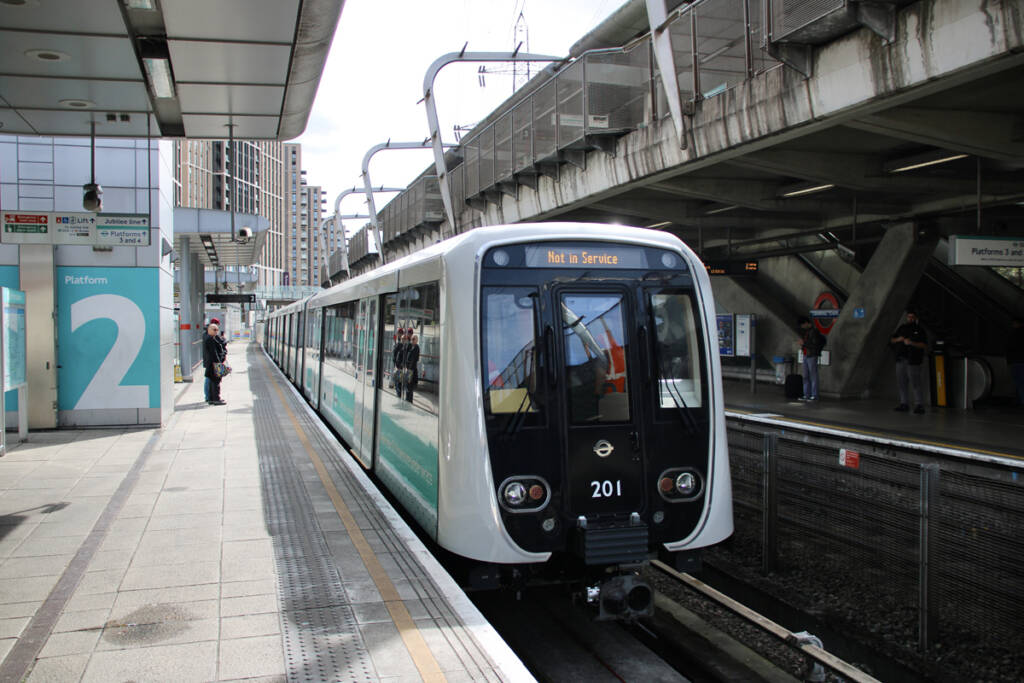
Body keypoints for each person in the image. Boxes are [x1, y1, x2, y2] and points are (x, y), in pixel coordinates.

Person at [890, 309, 928, 414]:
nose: (910, 319)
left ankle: (919, 405)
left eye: (912, 317)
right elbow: (892, 340)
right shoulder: (902, 328)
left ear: (916, 319)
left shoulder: (920, 330)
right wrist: (899, 339)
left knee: (915, 383)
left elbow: (924, 345)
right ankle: (904, 403)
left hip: (913, 360)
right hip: (901, 359)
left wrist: (911, 343)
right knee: (901, 382)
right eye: (909, 317)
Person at [797, 316, 826, 402]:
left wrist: (804, 343)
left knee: (813, 375)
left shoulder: (814, 332)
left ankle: (814, 395)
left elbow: (814, 344)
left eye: (802, 325)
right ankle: (806, 394)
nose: (802, 327)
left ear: (806, 323)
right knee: (805, 376)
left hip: (812, 355)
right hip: (806, 354)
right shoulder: (807, 332)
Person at [203, 322, 227, 405]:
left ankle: (212, 399)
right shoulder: (210, 340)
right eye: (214, 329)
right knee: (215, 382)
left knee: (213, 382)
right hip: (214, 364)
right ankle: (216, 399)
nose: (216, 331)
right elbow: (214, 353)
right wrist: (219, 363)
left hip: (212, 364)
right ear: (209, 330)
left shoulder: (212, 338)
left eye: (217, 329)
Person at [1007, 318, 1024, 406]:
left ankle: (1021, 400)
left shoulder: (1013, 334)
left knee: (1019, 381)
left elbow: (1009, 348)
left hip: (1016, 361)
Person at [403, 332, 420, 403]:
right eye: (412, 339)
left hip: (412, 370)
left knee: (410, 386)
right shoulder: (410, 346)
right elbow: (406, 355)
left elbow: (414, 359)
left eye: (413, 339)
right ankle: (407, 399)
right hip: (408, 369)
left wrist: (409, 367)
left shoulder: (416, 348)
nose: (412, 341)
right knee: (407, 385)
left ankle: (409, 400)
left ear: (416, 340)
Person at [392, 328, 406, 397]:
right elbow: (394, 354)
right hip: (397, 365)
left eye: (401, 333)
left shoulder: (401, 344)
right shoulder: (397, 343)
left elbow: (396, 355)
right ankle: (398, 395)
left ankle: (398, 396)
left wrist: (397, 364)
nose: (399, 334)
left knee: (398, 383)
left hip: (399, 366)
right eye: (399, 333)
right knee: (397, 382)